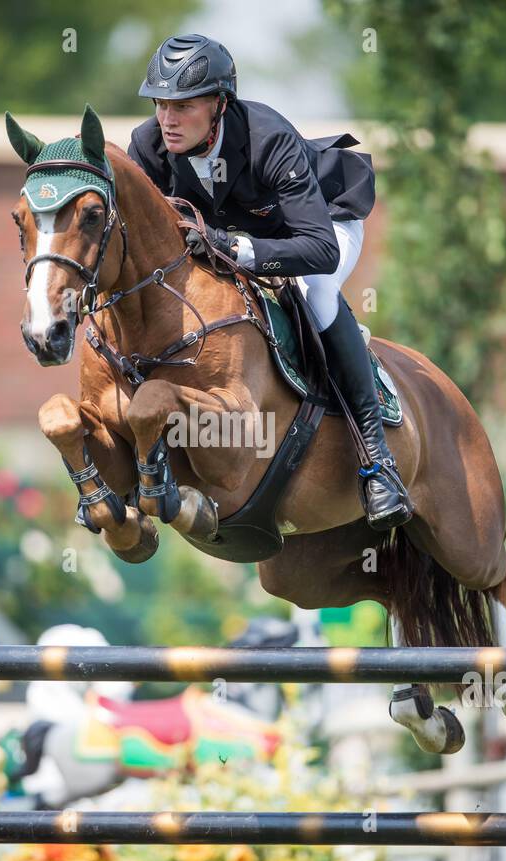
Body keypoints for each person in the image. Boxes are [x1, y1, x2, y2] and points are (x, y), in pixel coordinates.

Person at [126, 33, 413, 531]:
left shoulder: (267, 138)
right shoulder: (147, 146)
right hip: (233, 236)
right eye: (160, 104)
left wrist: (233, 247)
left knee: (315, 292)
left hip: (320, 224)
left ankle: (377, 462)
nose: (167, 120)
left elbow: (320, 250)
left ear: (218, 104)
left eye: (183, 106)